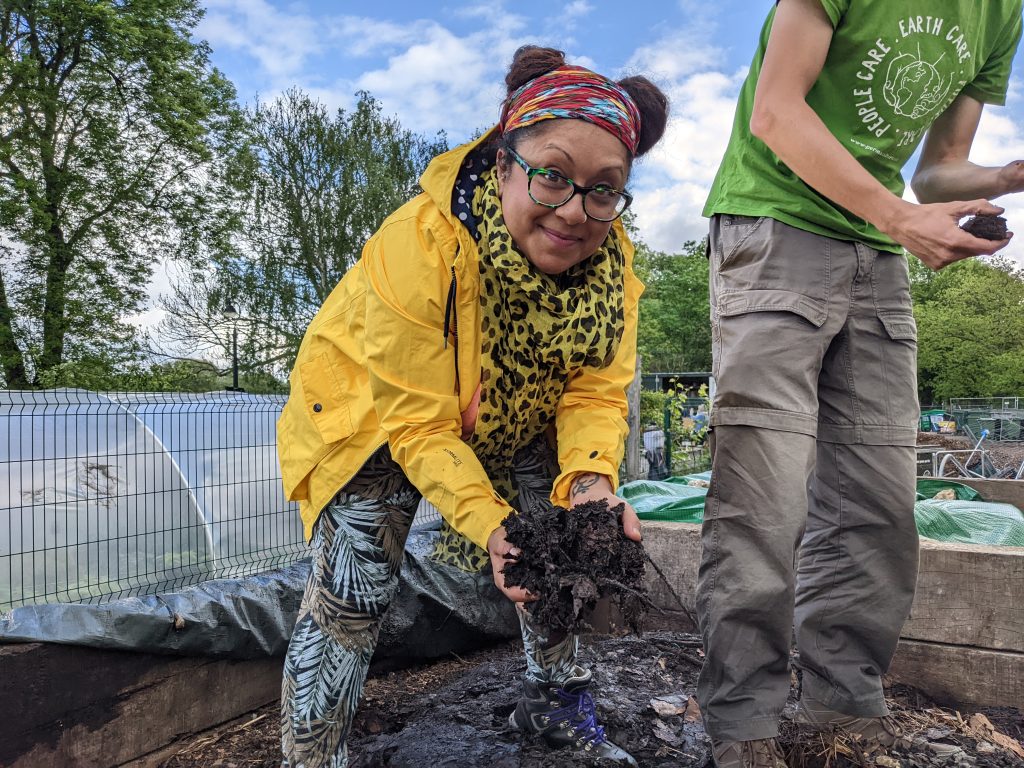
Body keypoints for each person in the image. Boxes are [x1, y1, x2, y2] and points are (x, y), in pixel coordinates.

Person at [276, 45, 669, 768]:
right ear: (502, 160)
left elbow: (591, 389)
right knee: (353, 593)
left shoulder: (615, 271)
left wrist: (590, 485)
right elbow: (420, 424)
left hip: (518, 409)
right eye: (552, 176)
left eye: (603, 190)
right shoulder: (419, 244)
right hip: (377, 411)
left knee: (560, 548)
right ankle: (311, 757)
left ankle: (557, 712)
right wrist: (491, 525)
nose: (574, 211)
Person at [698, 1, 1023, 766]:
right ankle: (742, 722)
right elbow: (777, 111)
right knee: (765, 497)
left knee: (877, 498)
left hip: (874, 247)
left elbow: (938, 166)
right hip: (772, 224)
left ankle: (840, 707)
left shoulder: (1000, 10)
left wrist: (1009, 174)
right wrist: (902, 219)